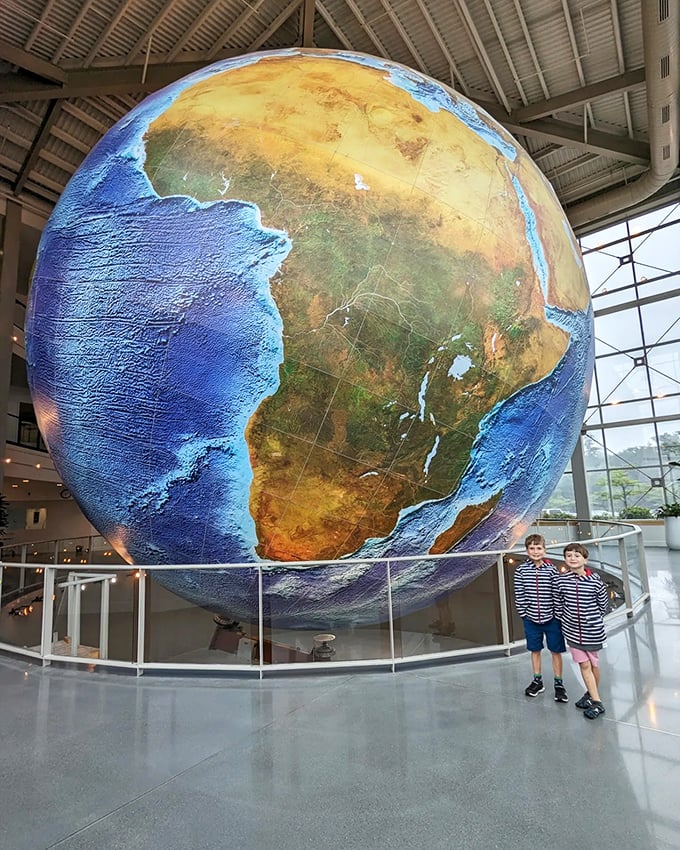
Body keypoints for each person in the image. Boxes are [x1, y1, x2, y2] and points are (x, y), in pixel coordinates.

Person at [554, 542, 610, 720]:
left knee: (593, 664)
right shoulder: (561, 581)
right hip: (572, 632)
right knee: (584, 665)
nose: (572, 558)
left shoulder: (595, 582)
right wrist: (566, 619)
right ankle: (597, 701)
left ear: (585, 559)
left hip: (592, 632)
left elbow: (603, 605)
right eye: (569, 555)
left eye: (577, 555)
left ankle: (591, 695)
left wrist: (591, 619)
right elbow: (559, 603)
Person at [513, 533, 568, 702]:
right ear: (527, 550)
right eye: (532, 548)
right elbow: (519, 594)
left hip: (552, 618)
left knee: (556, 650)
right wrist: (524, 613)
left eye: (538, 548)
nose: (535, 552)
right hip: (531, 619)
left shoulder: (551, 570)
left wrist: (557, 614)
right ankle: (537, 680)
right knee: (534, 649)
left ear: (544, 550)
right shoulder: (521, 571)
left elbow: (557, 594)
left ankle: (559, 683)